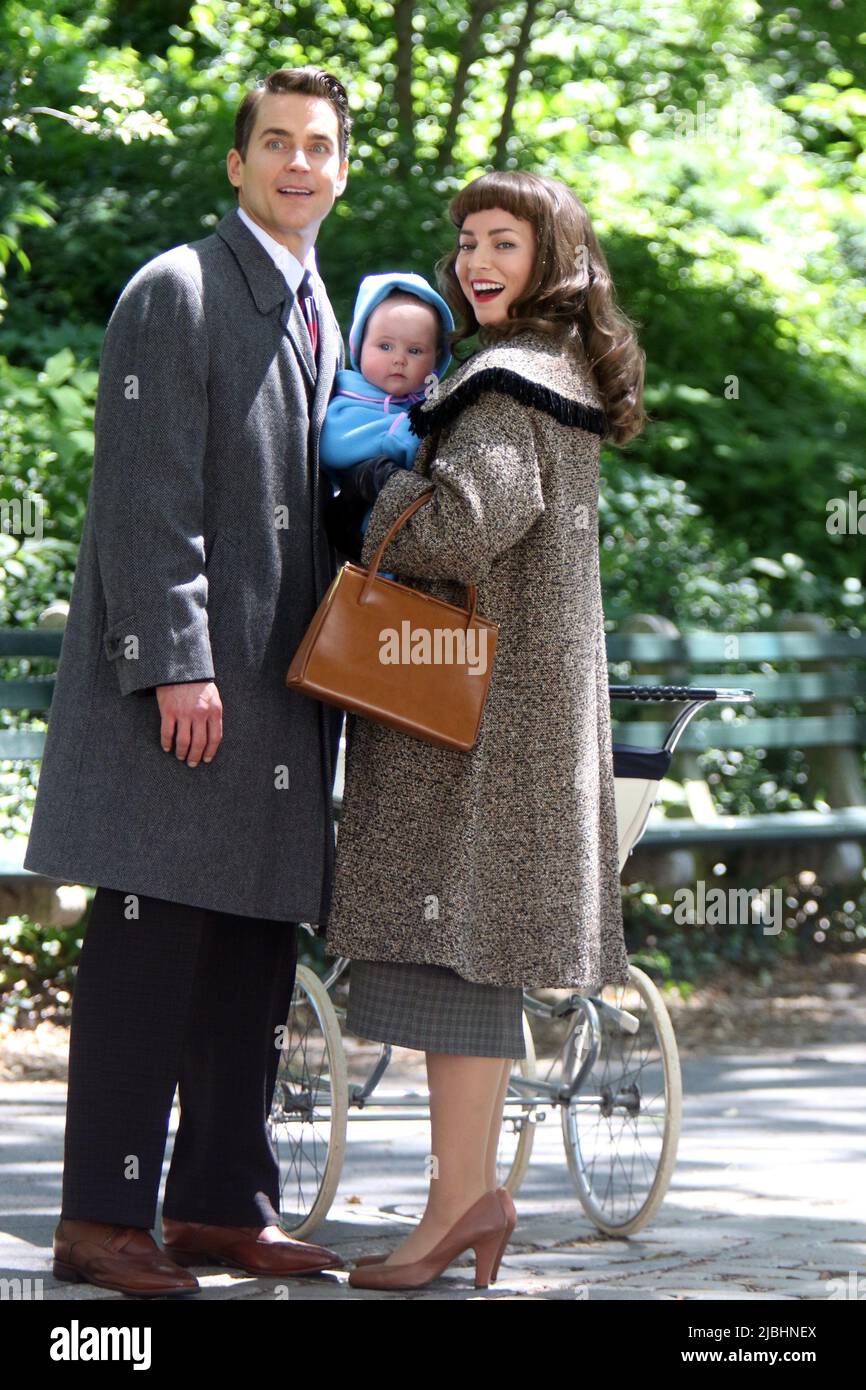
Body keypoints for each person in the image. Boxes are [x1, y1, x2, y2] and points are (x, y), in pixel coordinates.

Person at [23, 67, 353, 1297]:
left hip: (283, 701)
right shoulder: (177, 288)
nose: (298, 164)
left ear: (339, 164)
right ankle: (101, 1218)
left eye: (318, 145)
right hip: (191, 692)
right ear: (236, 162)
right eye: (275, 143)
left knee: (254, 958)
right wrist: (175, 661)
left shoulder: (323, 306)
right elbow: (147, 501)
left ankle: (220, 1204)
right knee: (150, 944)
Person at [323, 169, 647, 1291]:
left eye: (501, 240)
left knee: (454, 956)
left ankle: (459, 1202)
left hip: (473, 730)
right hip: (502, 724)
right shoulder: (552, 371)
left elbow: (460, 525)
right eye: (465, 240)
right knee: (453, 968)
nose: (474, 260)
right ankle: (459, 1200)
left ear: (550, 255)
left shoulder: (504, 382)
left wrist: (372, 493)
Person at [318, 272, 454, 569]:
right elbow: (335, 444)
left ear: (436, 360)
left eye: (415, 350)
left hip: (412, 545)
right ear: (359, 345)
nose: (399, 359)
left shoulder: (433, 405)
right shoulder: (351, 393)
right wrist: (405, 434)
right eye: (385, 346)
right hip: (355, 546)